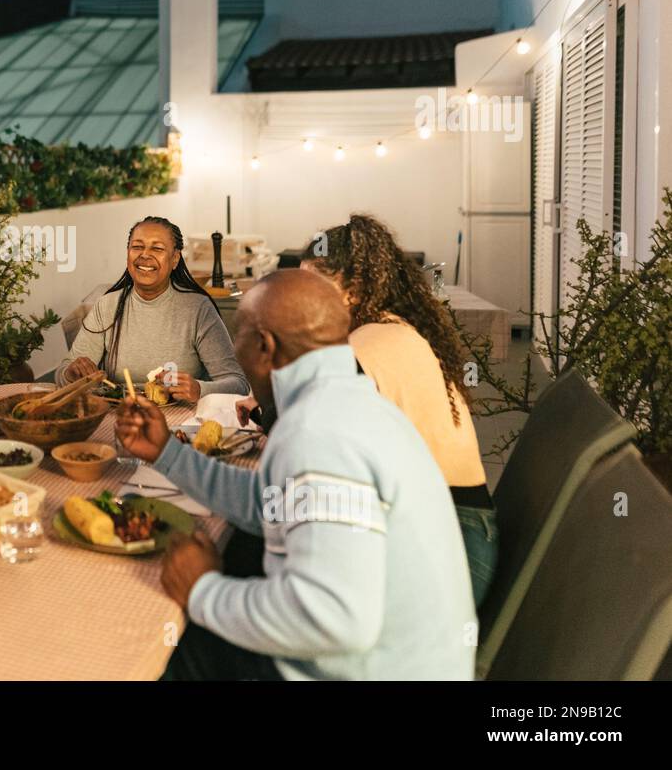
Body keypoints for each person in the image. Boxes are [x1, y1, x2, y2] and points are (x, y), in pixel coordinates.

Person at [115, 269, 475, 680]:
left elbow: (335, 618)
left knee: (155, 652)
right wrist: (168, 453)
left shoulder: (317, 431)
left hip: (368, 669)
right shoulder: (353, 402)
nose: (237, 352)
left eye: (240, 339)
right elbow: (271, 500)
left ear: (265, 346)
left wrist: (202, 590)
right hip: (409, 661)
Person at [300, 214, 497, 608]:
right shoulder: (393, 329)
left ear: (352, 290)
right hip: (459, 528)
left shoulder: (369, 345)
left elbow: (309, 433)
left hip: (452, 546)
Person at [55, 216, 248, 401]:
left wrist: (200, 389)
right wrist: (72, 373)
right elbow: (62, 373)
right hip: (121, 416)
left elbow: (238, 383)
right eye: (137, 247)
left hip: (182, 424)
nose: (145, 255)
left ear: (174, 259)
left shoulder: (197, 309)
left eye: (157, 248)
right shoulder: (107, 305)